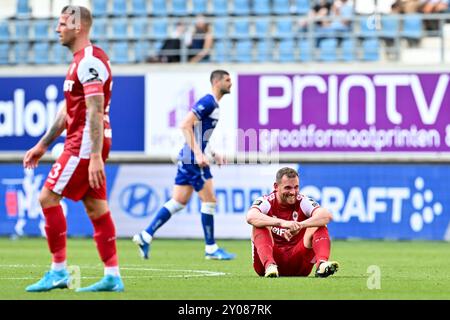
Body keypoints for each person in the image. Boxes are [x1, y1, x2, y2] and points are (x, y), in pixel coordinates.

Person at [23, 5, 124, 292]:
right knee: (96, 208)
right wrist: (43, 145)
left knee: (47, 198)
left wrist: (93, 157)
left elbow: (94, 109)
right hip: (86, 141)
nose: (58, 29)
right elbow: (68, 110)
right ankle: (112, 275)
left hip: (84, 143)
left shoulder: (89, 62)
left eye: (63, 23)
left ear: (79, 27)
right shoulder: (79, 62)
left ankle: (58, 271)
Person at [133, 70, 235, 261]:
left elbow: (199, 132)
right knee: (210, 201)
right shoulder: (208, 101)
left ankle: (145, 236)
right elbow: (185, 124)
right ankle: (211, 249)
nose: (231, 84)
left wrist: (212, 153)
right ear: (217, 81)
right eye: (228, 80)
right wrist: (198, 153)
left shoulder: (214, 105)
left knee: (178, 201)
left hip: (188, 158)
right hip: (192, 160)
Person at [246, 167, 339, 278]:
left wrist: (300, 225)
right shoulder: (267, 201)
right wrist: (282, 223)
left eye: (296, 187)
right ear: (276, 187)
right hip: (267, 263)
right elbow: (250, 216)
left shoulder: (303, 201)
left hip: (298, 264)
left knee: (319, 224)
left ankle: (322, 265)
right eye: (288, 188)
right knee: (259, 225)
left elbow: (327, 215)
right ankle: (270, 265)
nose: (293, 192)